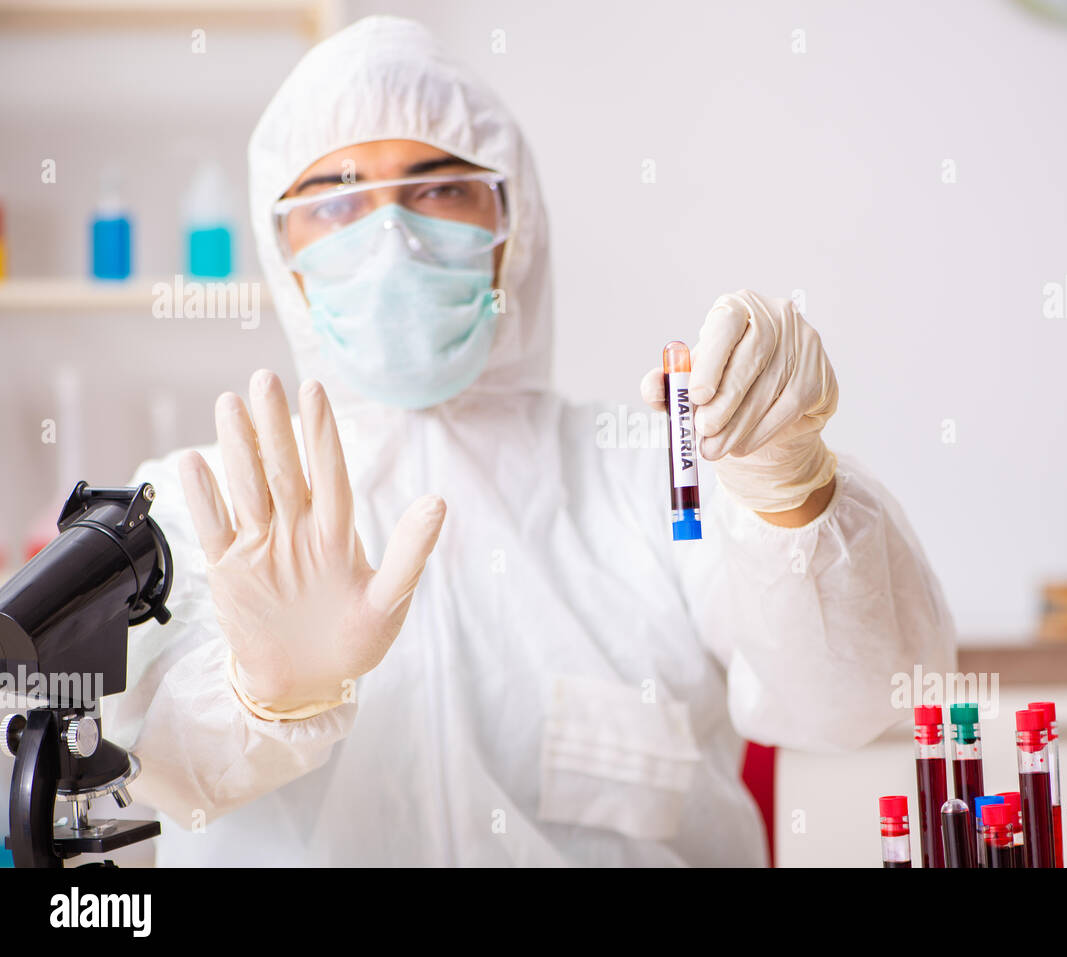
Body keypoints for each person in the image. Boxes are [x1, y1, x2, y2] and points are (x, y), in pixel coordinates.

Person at [103, 15, 955, 866]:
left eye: (439, 189)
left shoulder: (648, 472)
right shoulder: (203, 502)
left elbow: (854, 704)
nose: (392, 234)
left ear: (512, 220)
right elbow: (130, 774)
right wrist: (262, 695)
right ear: (280, 246)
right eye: (337, 201)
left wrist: (792, 496)